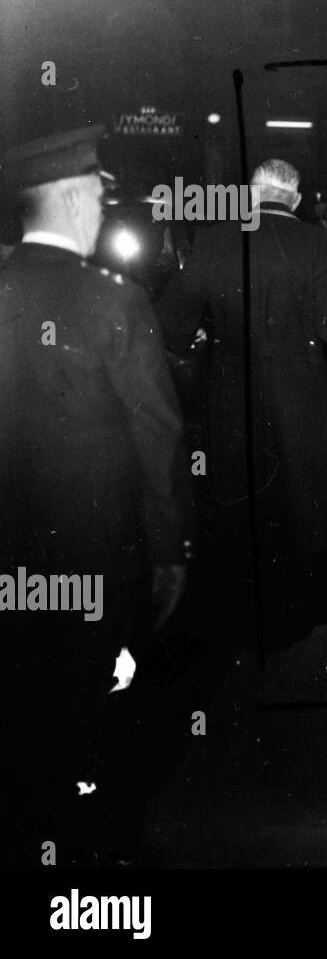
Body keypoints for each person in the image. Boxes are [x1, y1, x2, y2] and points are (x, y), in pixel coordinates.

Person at [0, 125, 192, 866]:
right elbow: (159, 439)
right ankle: (98, 870)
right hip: (97, 567)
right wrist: (172, 551)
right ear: (83, 201)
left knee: (24, 718)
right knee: (99, 726)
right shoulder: (113, 299)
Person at [158, 158, 327, 639]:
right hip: (298, 394)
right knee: (301, 498)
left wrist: (197, 339)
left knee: (241, 497)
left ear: (249, 195)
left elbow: (174, 324)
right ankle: (302, 607)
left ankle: (243, 608)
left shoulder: (214, 239)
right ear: (295, 200)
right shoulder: (316, 241)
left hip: (232, 396)